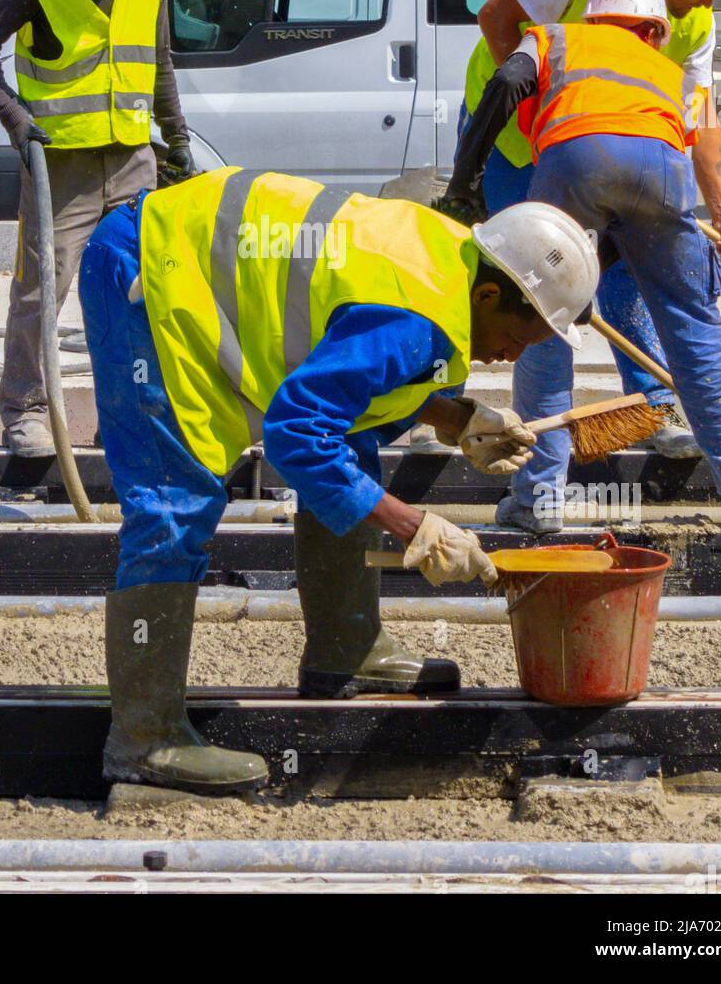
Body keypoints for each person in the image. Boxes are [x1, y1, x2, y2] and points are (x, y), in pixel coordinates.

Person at [79, 168, 600, 793]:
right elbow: (296, 435)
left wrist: (455, 417)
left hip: (183, 257)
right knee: (175, 500)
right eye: (517, 338)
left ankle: (346, 650)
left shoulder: (454, 260)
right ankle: (144, 738)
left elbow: (350, 374)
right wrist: (412, 526)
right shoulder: (416, 314)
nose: (513, 357)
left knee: (348, 442)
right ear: (489, 296)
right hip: (152, 274)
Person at [446, 0, 721, 537]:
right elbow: (691, 148)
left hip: (575, 161)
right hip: (664, 174)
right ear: (654, 30)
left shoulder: (557, 38)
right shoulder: (673, 74)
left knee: (542, 322)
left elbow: (504, 84)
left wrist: (464, 184)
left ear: (595, 17)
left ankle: (539, 500)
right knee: (695, 329)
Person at [0, 0, 195, 457]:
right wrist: (15, 118)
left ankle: (128, 413)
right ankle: (26, 412)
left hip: (131, 160)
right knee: (41, 290)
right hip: (60, 163)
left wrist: (178, 144)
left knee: (138, 290)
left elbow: (160, 65)